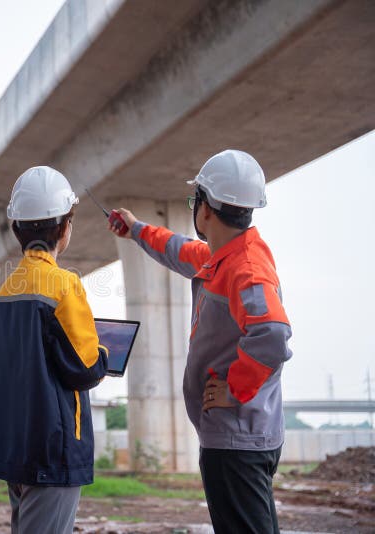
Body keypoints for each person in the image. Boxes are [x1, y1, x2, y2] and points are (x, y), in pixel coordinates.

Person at [108, 149, 292, 533]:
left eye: (195, 200)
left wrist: (235, 389)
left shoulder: (246, 270)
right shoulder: (224, 256)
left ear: (205, 208)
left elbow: (272, 334)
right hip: (237, 436)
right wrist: (137, 229)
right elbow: (178, 249)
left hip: (236, 442)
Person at [0, 166, 111, 534]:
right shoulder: (64, 285)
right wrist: (104, 354)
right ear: (66, 227)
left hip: (14, 449)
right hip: (52, 450)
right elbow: (83, 367)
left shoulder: (2, 293)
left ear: (16, 227)